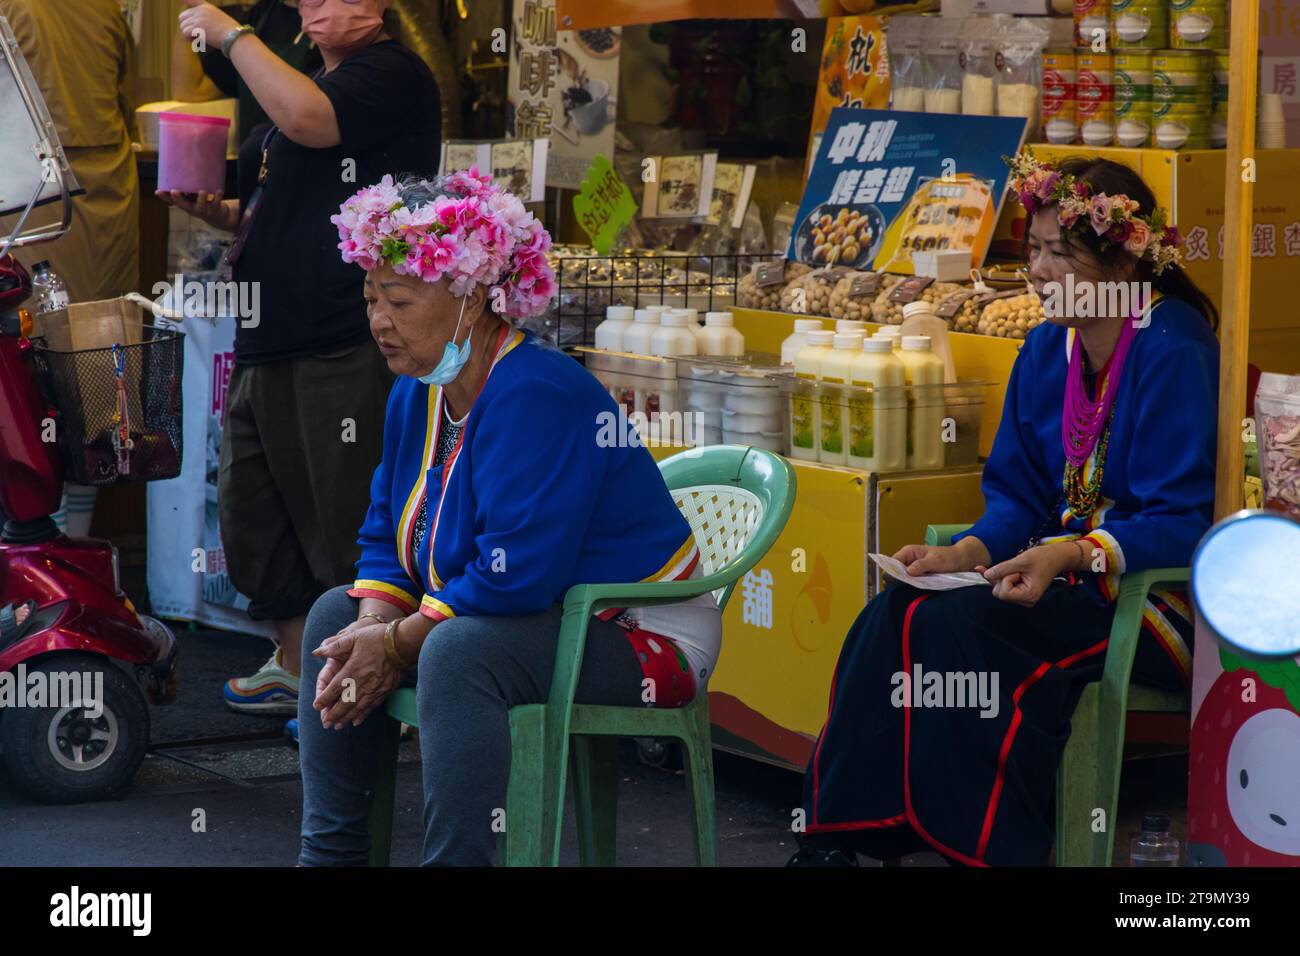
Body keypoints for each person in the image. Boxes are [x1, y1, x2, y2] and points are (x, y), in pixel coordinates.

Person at [788, 154, 1220, 867]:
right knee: (895, 612)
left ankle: (989, 847)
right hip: (1056, 576)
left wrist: (1073, 553)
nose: (1040, 272)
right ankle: (837, 837)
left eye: (1061, 254)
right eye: (1035, 251)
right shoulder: (1048, 346)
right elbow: (1017, 496)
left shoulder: (1173, 346)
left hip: (1150, 598)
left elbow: (1184, 518)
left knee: (961, 627)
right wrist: (964, 554)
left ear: (1122, 268)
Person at [297, 171, 723, 866]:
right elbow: (383, 532)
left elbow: (516, 576)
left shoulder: (540, 393)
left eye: (399, 300)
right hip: (529, 617)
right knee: (331, 619)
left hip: (637, 632)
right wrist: (375, 625)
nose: (379, 319)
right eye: (371, 297)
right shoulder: (418, 394)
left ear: (469, 298)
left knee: (460, 653)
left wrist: (398, 644)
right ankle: (329, 857)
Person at [158, 0, 440, 716]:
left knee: (343, 516)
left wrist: (232, 34)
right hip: (266, 333)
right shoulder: (303, 82)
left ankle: (374, 678)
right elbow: (270, 194)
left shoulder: (392, 73)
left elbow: (311, 118)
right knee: (254, 510)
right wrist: (217, 210)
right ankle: (296, 658)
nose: (315, 7)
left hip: (340, 331)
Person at [0, 0, 141, 539]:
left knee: (30, 389)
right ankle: (73, 544)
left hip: (31, 209)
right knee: (99, 392)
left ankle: (49, 548)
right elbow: (127, 105)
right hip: (101, 205)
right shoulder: (105, 10)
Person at [170, 0, 322, 144]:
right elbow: (192, 90)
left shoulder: (330, 26)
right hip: (256, 164)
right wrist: (192, 15)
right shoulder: (261, 14)